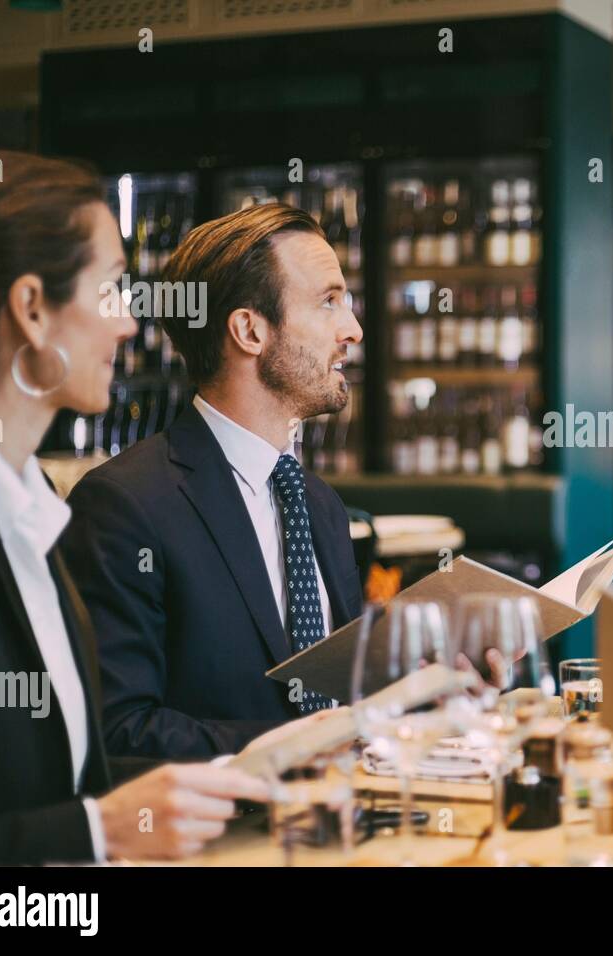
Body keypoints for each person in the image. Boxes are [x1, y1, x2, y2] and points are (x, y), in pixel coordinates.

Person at [0, 150, 269, 865]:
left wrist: (237, 769)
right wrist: (96, 832)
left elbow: (54, 777)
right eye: (113, 289)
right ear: (32, 309)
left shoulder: (31, 509)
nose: (129, 324)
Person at [61, 202, 364, 760]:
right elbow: (116, 731)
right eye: (329, 302)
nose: (353, 330)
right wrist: (294, 749)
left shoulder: (320, 505)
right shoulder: (124, 506)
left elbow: (344, 701)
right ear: (249, 330)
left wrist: (437, 685)